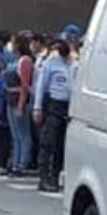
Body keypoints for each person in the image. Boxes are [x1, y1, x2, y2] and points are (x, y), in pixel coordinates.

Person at [33, 37, 75, 193]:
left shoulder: (73, 63)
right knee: (48, 142)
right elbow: (41, 86)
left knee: (61, 145)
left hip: (68, 106)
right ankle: (44, 177)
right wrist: (37, 108)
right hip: (53, 105)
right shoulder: (51, 63)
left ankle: (55, 176)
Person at [7, 32, 37, 176]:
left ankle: (22, 162)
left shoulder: (25, 61)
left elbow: (25, 85)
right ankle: (15, 161)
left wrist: (21, 105)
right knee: (15, 134)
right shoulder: (14, 60)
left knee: (23, 133)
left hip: (19, 98)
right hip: (10, 98)